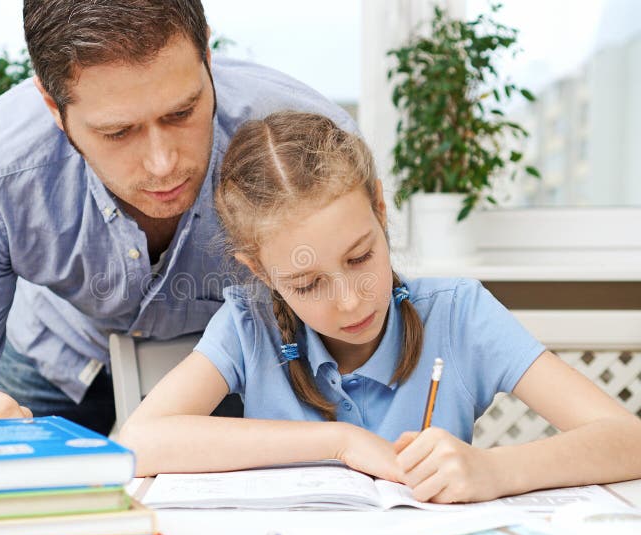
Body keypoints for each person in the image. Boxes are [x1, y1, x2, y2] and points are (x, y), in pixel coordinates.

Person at [0, 1, 356, 433]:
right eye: (119, 132)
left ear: (207, 57)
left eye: (182, 112)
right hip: (56, 351)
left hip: (231, 366)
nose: (163, 163)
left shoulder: (303, 139)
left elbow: (360, 320)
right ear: (53, 107)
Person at [118, 111, 641, 503]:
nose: (350, 301)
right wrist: (341, 441)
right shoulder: (247, 325)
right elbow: (140, 440)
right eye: (306, 284)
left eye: (361, 256)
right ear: (260, 271)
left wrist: (494, 471)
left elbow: (628, 440)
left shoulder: (459, 314)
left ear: (380, 208)